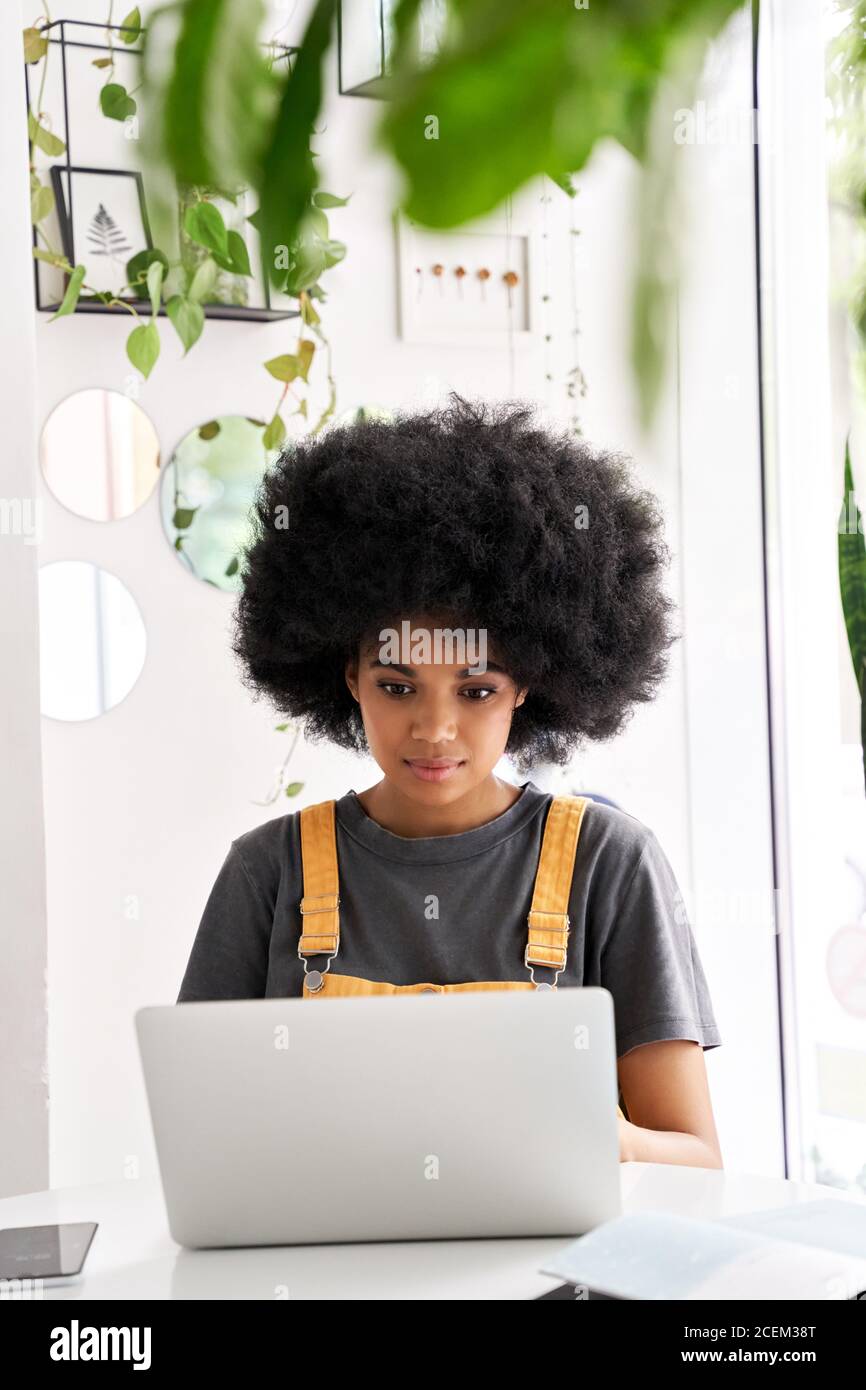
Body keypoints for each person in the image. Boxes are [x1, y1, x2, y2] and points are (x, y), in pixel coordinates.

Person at [177, 394, 723, 1167]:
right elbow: (202, 1145)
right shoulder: (267, 873)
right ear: (349, 677)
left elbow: (695, 1158)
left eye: (475, 691)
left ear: (528, 684)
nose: (434, 729)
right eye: (399, 687)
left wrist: (591, 1137)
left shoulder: (610, 862)